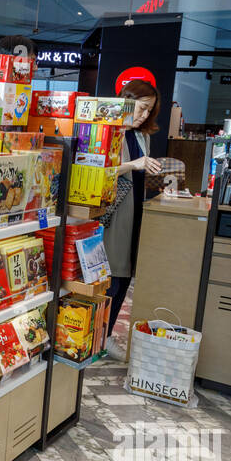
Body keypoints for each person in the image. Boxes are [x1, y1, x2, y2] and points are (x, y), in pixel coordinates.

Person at [100, 77, 162, 358]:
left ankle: (107, 334)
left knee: (125, 274)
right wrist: (133, 164)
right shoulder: (107, 131)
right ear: (126, 101)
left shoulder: (141, 136)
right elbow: (97, 171)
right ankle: (97, 336)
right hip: (113, 212)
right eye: (141, 108)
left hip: (135, 209)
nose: (144, 115)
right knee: (111, 274)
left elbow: (139, 170)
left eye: (149, 110)